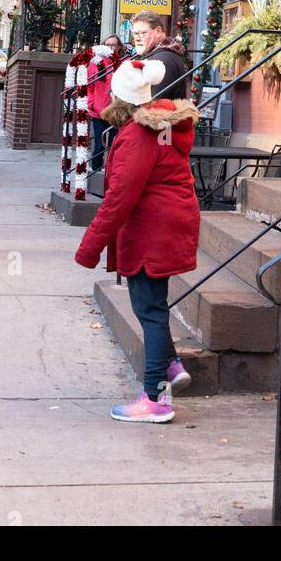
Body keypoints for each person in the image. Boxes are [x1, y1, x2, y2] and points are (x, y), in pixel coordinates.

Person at [74, 57, 199, 423]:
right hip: (164, 225)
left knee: (149, 309)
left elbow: (119, 199)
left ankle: (156, 399)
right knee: (153, 305)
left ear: (120, 98)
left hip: (151, 230)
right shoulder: (155, 127)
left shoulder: (137, 136)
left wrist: (89, 247)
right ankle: (171, 364)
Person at [130, 11, 188, 99]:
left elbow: (153, 101)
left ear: (158, 31)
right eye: (135, 34)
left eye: (143, 33)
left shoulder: (162, 60)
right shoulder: (161, 55)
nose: (137, 38)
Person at [87, 34, 123, 173]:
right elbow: (89, 87)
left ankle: (111, 172)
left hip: (116, 112)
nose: (111, 48)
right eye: (108, 45)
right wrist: (91, 103)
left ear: (118, 46)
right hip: (99, 111)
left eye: (113, 45)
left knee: (114, 145)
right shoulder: (95, 63)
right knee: (99, 146)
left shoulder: (122, 63)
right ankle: (95, 172)